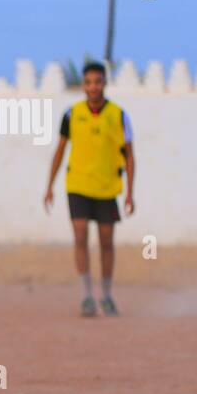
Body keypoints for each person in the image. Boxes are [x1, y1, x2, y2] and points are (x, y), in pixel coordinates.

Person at [43, 62, 137, 317]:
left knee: (106, 241)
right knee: (80, 234)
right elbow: (60, 151)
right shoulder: (71, 115)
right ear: (83, 85)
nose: (93, 87)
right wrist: (49, 186)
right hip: (78, 185)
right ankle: (86, 295)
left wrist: (130, 192)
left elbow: (129, 155)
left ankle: (106, 295)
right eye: (88, 82)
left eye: (97, 81)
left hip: (107, 188)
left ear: (105, 83)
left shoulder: (118, 115)